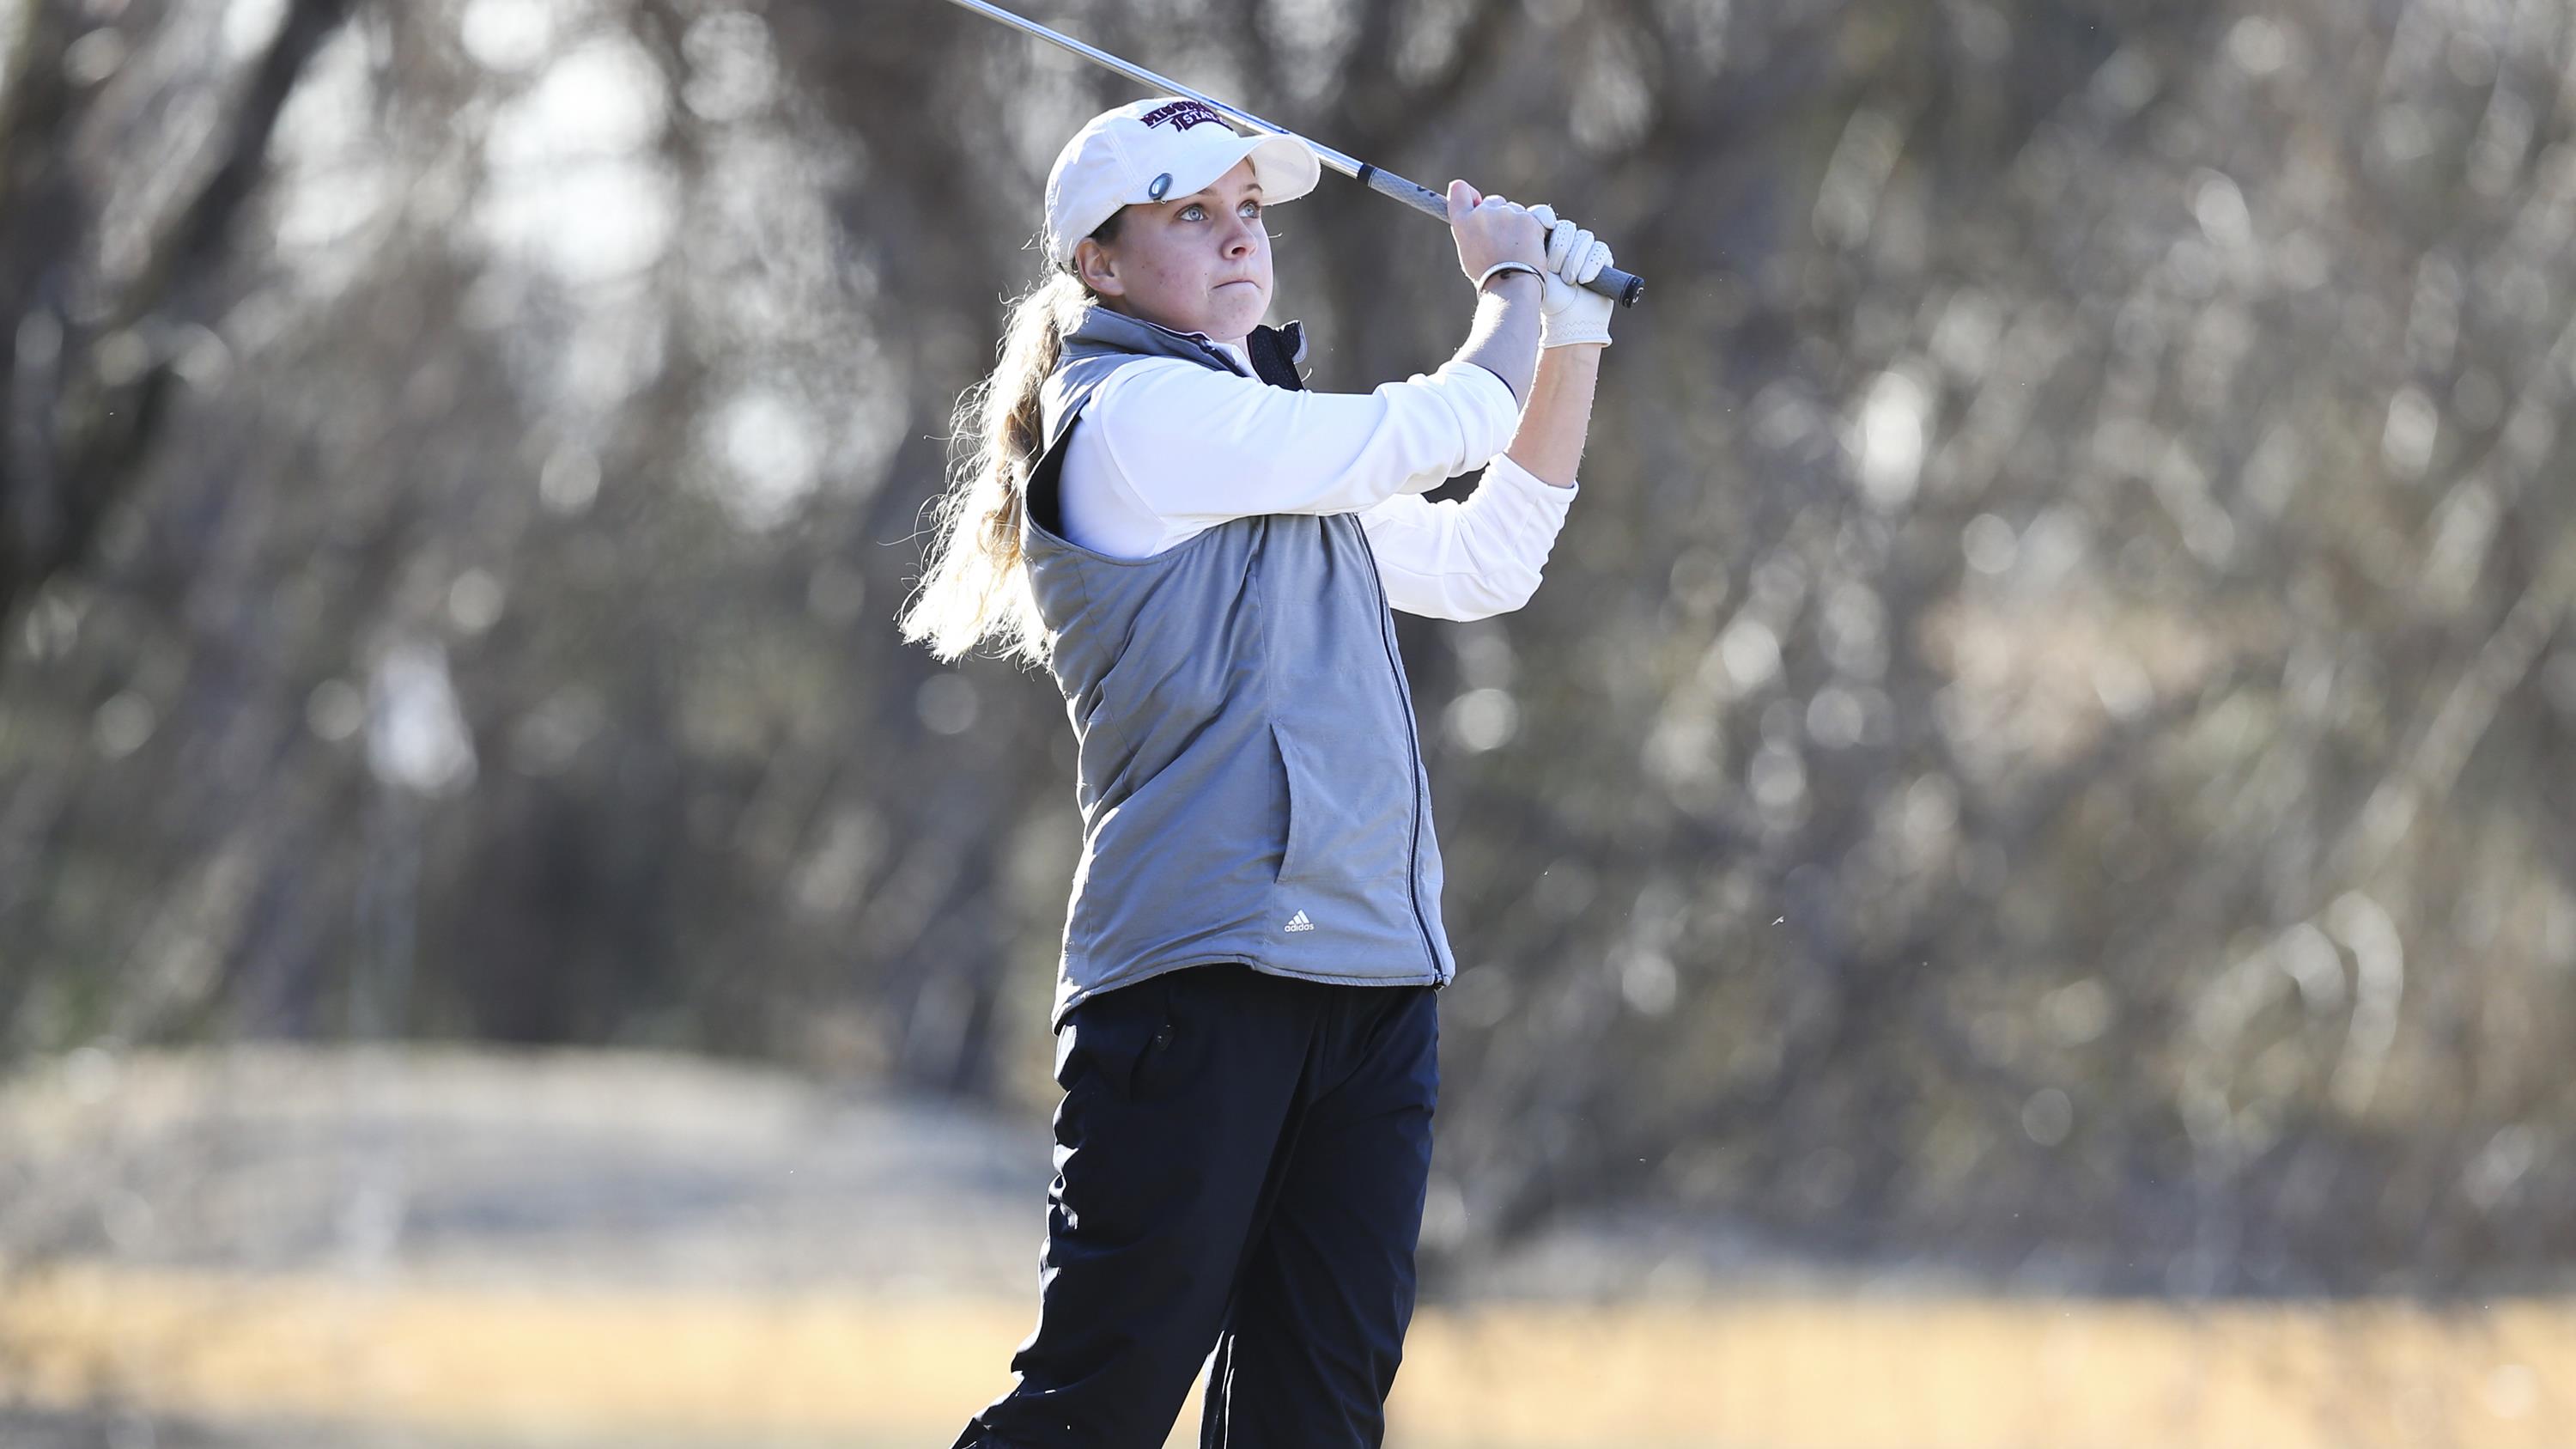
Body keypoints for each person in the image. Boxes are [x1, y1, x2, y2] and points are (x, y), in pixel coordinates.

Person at [898, 95, 1616, 1449]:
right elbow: (1447, 419)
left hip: (1373, 980)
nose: (1237, 239)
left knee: (1317, 1416)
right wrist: (1513, 280)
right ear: (1099, 265)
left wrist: (1571, 328)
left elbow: (1486, 559)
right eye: (1190, 215)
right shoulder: (1127, 417)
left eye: (1246, 212)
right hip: (1200, 978)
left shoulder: (1268, 443)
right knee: (1098, 1407)